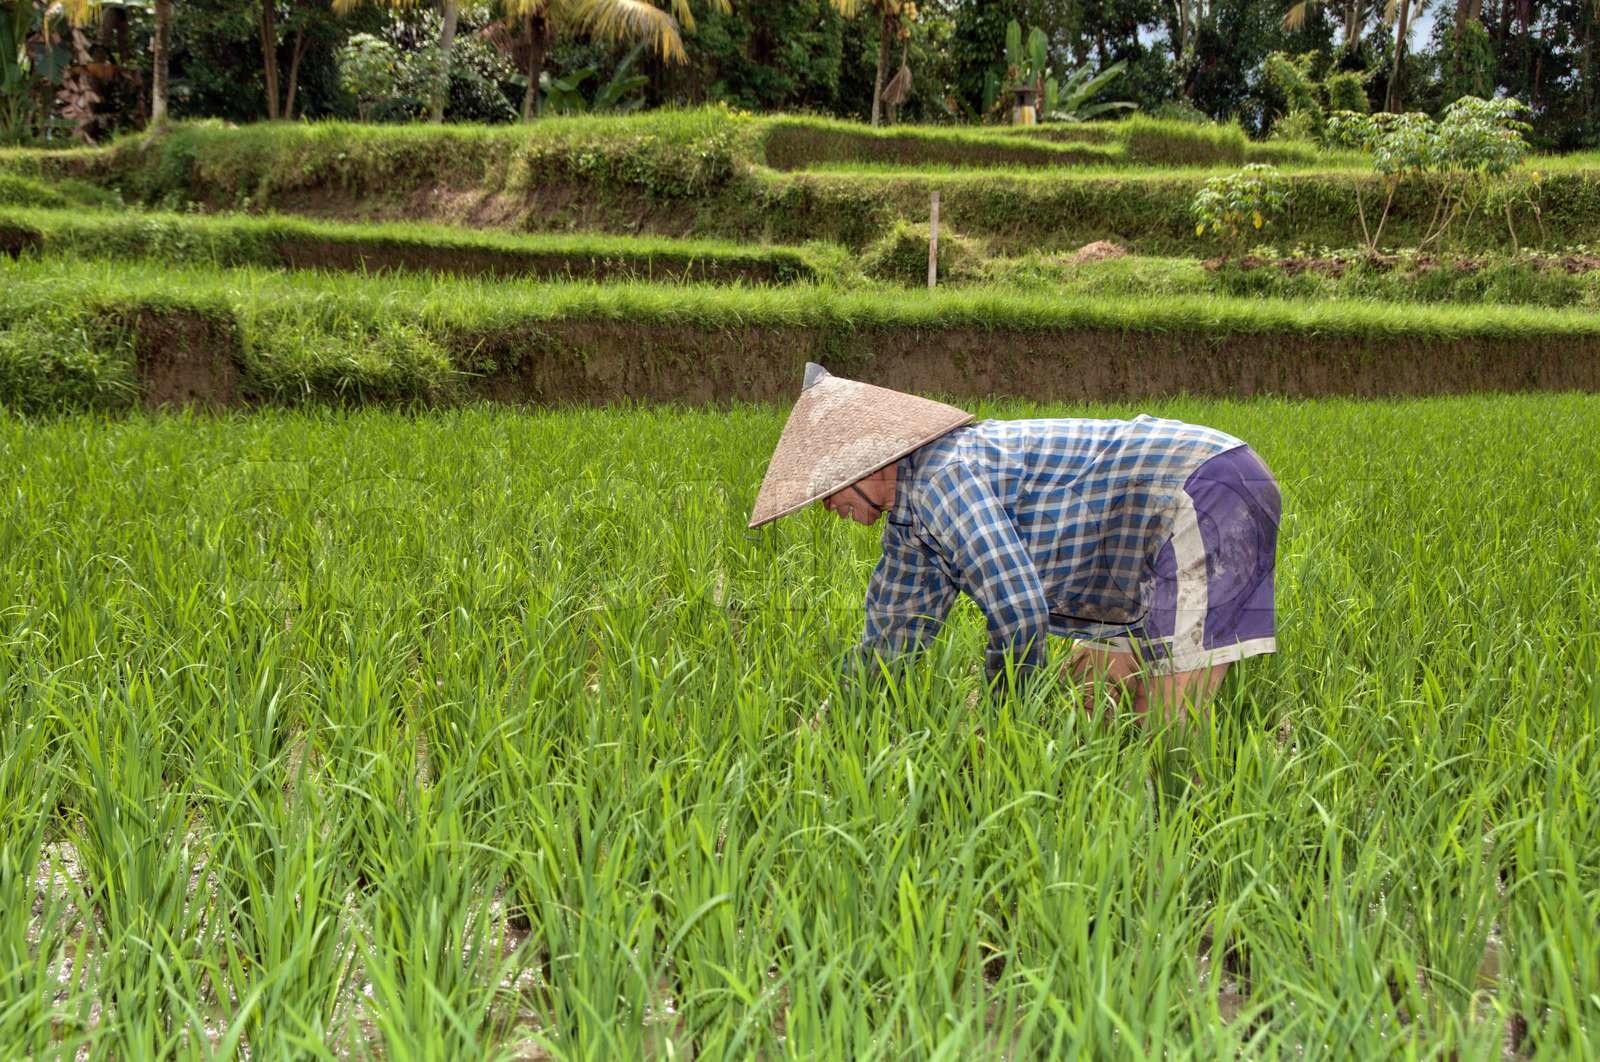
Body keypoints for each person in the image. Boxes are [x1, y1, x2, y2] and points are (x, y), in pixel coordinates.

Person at [748, 364, 1281, 725]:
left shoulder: (942, 478)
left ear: (864, 462)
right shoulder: (911, 523)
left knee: (1165, 726)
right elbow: (890, 643)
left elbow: (1019, 610)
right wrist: (832, 719)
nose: (825, 506)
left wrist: (1002, 719)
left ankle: (1174, 859)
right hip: (1134, 545)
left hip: (1206, 492)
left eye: (827, 488)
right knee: (1087, 703)